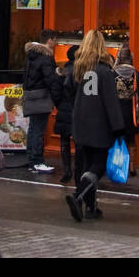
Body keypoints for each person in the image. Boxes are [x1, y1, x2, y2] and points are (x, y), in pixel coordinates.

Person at [67, 30, 124, 222]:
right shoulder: (105, 71)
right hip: (99, 125)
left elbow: (66, 91)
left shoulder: (78, 68)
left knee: (87, 164)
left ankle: (91, 206)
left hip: (80, 123)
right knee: (98, 166)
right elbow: (111, 102)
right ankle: (78, 196)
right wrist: (118, 127)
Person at [22, 29, 60, 173]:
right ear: (49, 40)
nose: (55, 44)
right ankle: (37, 161)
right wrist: (58, 99)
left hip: (30, 95)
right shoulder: (46, 56)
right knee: (38, 130)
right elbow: (51, 79)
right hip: (41, 96)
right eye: (55, 40)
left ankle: (32, 160)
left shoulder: (31, 54)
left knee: (33, 128)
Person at [113, 46, 139, 176]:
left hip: (117, 110)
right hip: (131, 111)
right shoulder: (136, 74)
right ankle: (132, 166)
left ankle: (118, 164)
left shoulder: (113, 73)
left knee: (117, 138)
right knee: (131, 139)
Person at [53, 44, 79, 184]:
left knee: (64, 141)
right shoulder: (81, 71)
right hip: (77, 110)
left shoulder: (62, 71)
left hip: (64, 109)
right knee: (78, 141)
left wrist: (60, 105)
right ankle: (79, 170)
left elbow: (56, 92)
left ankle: (67, 170)